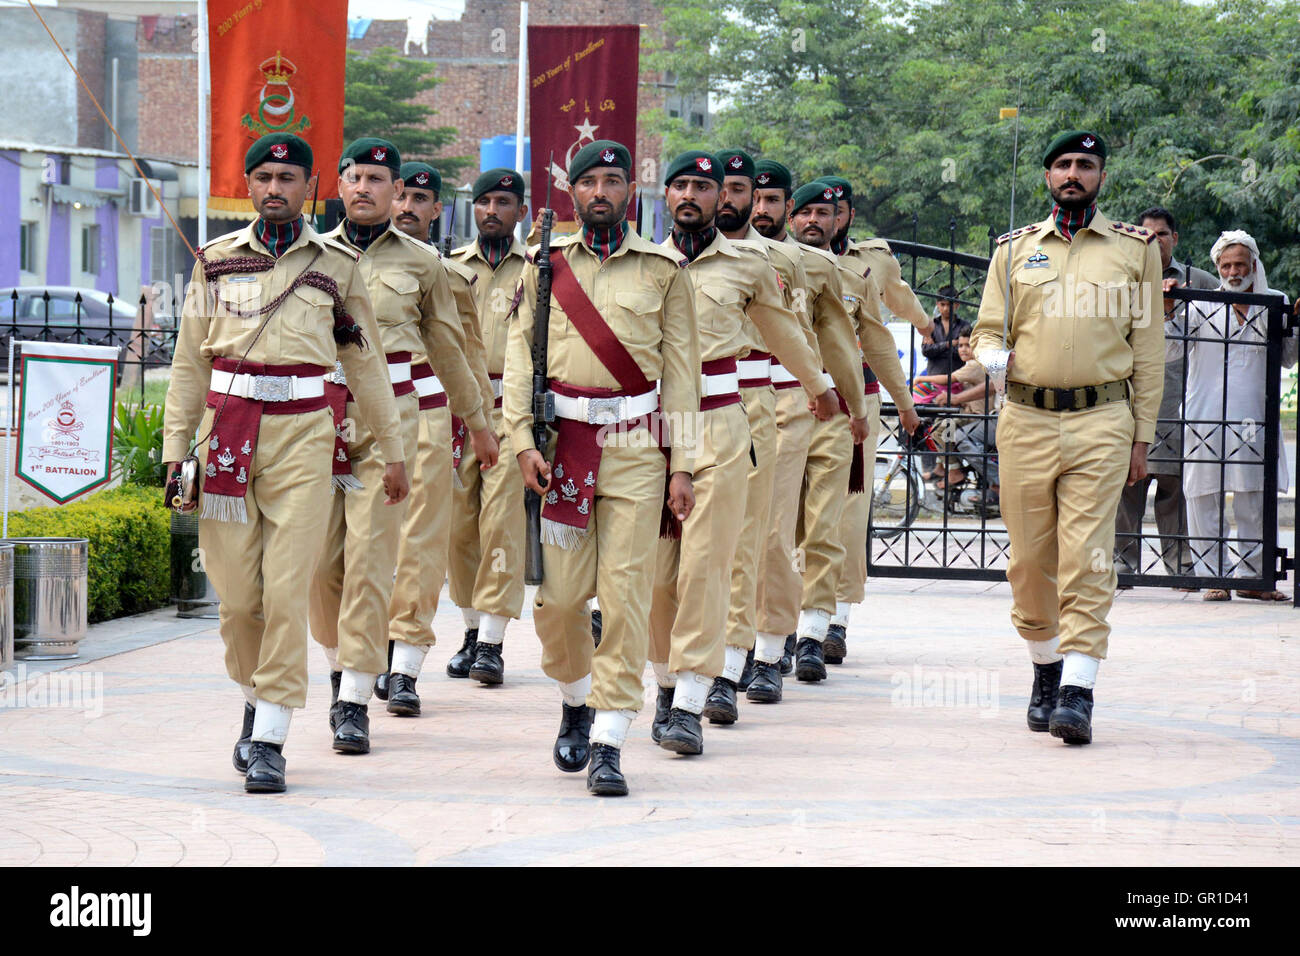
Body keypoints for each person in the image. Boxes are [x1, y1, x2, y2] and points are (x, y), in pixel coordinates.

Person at [162, 132, 407, 792]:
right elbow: (189, 365)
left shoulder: (337, 265)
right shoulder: (213, 261)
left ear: (311, 186)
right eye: (264, 176)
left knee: (288, 586)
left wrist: (394, 451)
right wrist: (174, 453)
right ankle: (254, 692)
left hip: (303, 439)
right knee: (240, 603)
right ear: (248, 184)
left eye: (288, 177)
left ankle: (270, 733)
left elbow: (366, 365)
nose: (275, 187)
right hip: (226, 442)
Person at [504, 139, 700, 796]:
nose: (601, 193)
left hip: (640, 451)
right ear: (573, 194)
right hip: (565, 451)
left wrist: (684, 465)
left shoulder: (663, 270)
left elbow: (683, 375)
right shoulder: (543, 268)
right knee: (560, 603)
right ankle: (575, 696)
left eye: (613, 182)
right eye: (590, 183)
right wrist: (522, 440)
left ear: (629, 192)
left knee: (624, 599)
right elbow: (520, 365)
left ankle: (610, 739)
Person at [972, 130, 1164, 745]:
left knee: (1087, 556)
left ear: (1102, 176)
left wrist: (1142, 437)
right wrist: (992, 355)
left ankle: (1078, 689)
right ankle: (1046, 669)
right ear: (1048, 177)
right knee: (1030, 561)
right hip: (1025, 418)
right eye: (1063, 165)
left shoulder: (1135, 251)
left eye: (1086, 165)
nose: (1074, 173)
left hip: (1102, 420)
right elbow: (985, 330)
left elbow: (1149, 351)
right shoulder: (1012, 250)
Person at [310, 138, 495, 752]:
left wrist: (481, 420)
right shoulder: (307, 257)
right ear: (339, 184)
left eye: (377, 179)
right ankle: (341, 667)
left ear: (396, 194)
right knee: (321, 567)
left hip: (405, 421)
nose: (365, 187)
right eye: (355, 176)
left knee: (381, 557)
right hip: (316, 422)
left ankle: (358, 695)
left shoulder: (424, 265)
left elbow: (450, 349)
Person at [647, 150, 834, 751]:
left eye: (707, 186)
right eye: (683, 185)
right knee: (653, 573)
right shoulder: (641, 263)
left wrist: (821, 386)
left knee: (712, 560)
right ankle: (663, 681)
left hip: (724, 421)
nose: (697, 195)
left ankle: (694, 699)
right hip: (647, 429)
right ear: (666, 194)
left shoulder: (750, 265)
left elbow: (785, 331)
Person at [382, 161, 498, 708]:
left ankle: (404, 663)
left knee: (423, 541)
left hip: (429, 416)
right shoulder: (340, 265)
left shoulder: (450, 277)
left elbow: (469, 355)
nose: (407, 207)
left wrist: (483, 424)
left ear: (436, 210)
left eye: (420, 199)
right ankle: (360, 652)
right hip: (353, 420)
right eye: (401, 194)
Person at [749, 180, 872, 695]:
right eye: (748, 196)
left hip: (824, 411)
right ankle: (749, 642)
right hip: (752, 410)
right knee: (767, 531)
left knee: (823, 524)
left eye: (771, 200)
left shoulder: (828, 268)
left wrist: (861, 407)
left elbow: (855, 344)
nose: (759, 208)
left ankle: (812, 634)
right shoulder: (709, 262)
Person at [714, 152, 818, 692]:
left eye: (755, 194)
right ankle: (714, 651)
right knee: (712, 538)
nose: (745, 204)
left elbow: (798, 338)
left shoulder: (781, 262)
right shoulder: (679, 259)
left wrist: (819, 393)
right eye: (729, 190)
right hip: (702, 405)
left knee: (772, 532)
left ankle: (769, 650)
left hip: (772, 401)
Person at [819, 178, 920, 663]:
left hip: (860, 398)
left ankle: (837, 617)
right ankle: (797, 617)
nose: (824, 219)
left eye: (834, 210)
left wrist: (928, 324)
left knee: (850, 508)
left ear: (849, 216)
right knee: (799, 511)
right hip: (802, 398)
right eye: (814, 210)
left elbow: (893, 313)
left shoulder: (873, 260)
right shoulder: (785, 260)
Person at [442, 168, 530, 681]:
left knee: (501, 522)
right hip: (457, 410)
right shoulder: (449, 268)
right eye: (483, 202)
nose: (491, 210)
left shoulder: (539, 268)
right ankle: (471, 629)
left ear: (520, 211)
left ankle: (493, 644)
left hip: (510, 410)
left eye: (502, 202)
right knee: (458, 527)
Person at [1179, 229, 1295, 602]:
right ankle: (1213, 576)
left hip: (1253, 417)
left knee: (1253, 494)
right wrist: (1167, 307)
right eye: (1226, 265)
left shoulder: (1274, 301)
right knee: (1203, 494)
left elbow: (1290, 357)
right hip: (1204, 415)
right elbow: (1168, 349)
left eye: (1240, 264)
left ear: (1254, 264)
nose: (1233, 271)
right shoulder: (1199, 303)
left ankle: (1252, 577)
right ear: (1217, 267)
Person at [1113, 206, 1217, 584]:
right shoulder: (1122, 280)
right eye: (1147, 235)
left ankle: (1181, 564)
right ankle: (1123, 564)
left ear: (1175, 239)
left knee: (1175, 488)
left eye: (1162, 234)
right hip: (1129, 398)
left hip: (1181, 400)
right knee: (1128, 487)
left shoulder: (1200, 282)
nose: (1154, 241)